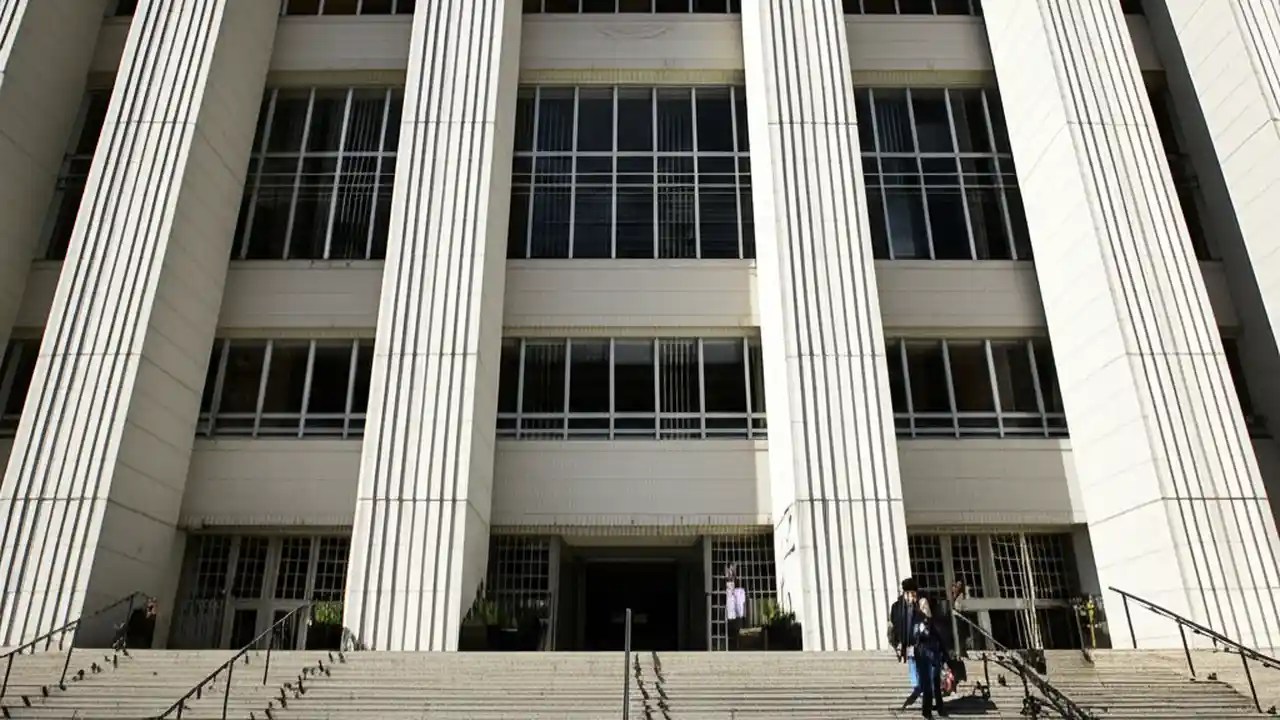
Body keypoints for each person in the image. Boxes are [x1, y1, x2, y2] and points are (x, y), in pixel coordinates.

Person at [912, 594, 950, 718]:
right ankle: (927, 711)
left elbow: (938, 638)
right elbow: (916, 637)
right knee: (928, 684)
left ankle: (939, 708)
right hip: (924, 656)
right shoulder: (917, 621)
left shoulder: (931, 622)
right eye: (923, 606)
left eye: (926, 605)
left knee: (935, 683)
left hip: (933, 655)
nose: (925, 608)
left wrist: (945, 655)